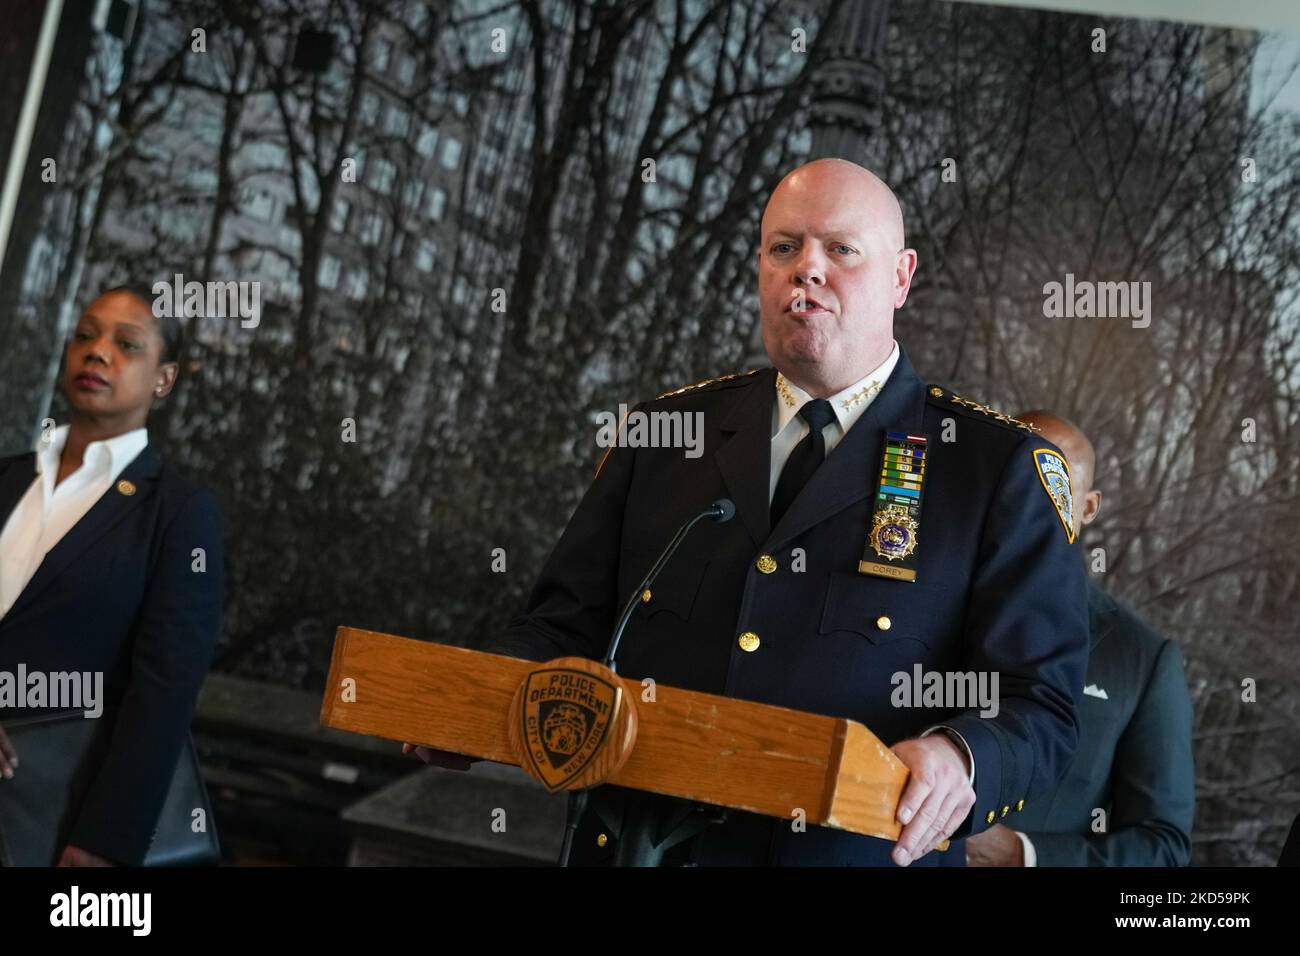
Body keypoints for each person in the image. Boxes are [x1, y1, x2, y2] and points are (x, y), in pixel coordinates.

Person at [410, 158, 1089, 866]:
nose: (807, 270)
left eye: (841, 249)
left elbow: (1039, 706)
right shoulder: (667, 434)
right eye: (784, 248)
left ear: (901, 276)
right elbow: (563, 628)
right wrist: (473, 700)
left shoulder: (995, 469)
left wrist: (961, 756)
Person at [0, 284, 224, 866]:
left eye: (126, 344)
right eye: (85, 336)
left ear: (164, 379)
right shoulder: (5, 478)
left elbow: (165, 690)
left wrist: (104, 842)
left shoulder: (178, 514)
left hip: (44, 820)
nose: (97, 352)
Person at [965, 411, 1194, 866]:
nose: (1025, 503)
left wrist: (1023, 855)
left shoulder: (1143, 662)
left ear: (1087, 508)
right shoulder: (905, 601)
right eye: (1010, 478)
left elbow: (1162, 846)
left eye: (1052, 485)